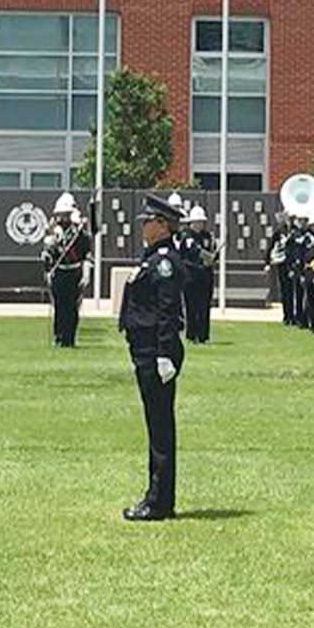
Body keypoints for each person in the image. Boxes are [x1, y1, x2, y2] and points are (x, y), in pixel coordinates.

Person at [118, 194, 186, 522]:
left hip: (156, 354)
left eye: (148, 221)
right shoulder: (152, 257)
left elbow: (167, 311)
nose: (143, 226)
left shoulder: (164, 261)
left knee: (160, 430)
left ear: (162, 226)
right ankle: (156, 495)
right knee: (155, 427)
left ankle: (159, 501)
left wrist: (164, 353)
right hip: (145, 351)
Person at [42, 194, 89, 348]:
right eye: (61, 214)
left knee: (72, 307)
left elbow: (85, 253)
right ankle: (59, 336)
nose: (63, 217)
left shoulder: (78, 232)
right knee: (59, 307)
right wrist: (47, 269)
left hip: (74, 272)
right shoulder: (52, 231)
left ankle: (70, 338)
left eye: (66, 214)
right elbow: (47, 254)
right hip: (59, 272)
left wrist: (86, 273)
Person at [180, 205, 218, 345]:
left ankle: (203, 335)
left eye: (201, 222)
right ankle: (191, 335)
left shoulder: (208, 236)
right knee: (191, 307)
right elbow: (183, 257)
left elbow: (213, 253)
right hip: (191, 276)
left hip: (205, 276)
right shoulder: (185, 236)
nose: (199, 225)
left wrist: (212, 259)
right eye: (196, 222)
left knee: (204, 307)